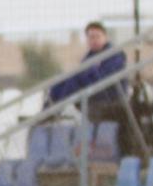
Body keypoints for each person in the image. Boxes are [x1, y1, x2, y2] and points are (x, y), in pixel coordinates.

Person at [48, 21, 133, 153]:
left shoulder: (114, 54)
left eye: (97, 36)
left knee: (74, 79)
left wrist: (90, 72)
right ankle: (50, 109)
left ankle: (56, 109)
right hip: (93, 93)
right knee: (60, 82)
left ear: (105, 37)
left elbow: (104, 77)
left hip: (111, 96)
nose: (94, 40)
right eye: (90, 37)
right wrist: (91, 71)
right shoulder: (89, 57)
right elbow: (87, 75)